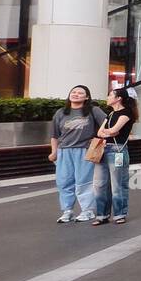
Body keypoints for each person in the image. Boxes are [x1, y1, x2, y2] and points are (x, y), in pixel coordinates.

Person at [48, 85, 107, 224]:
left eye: (80, 93)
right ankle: (67, 211)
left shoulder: (94, 110)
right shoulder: (61, 113)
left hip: (85, 150)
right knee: (64, 181)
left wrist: (101, 138)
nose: (76, 94)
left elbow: (108, 123)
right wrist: (54, 152)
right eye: (73, 92)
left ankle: (88, 211)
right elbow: (54, 135)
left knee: (84, 181)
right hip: (64, 151)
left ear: (87, 97)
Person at [92, 87, 138, 226]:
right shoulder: (110, 114)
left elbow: (114, 130)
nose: (108, 97)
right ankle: (102, 215)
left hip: (118, 151)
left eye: (110, 95)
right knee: (100, 184)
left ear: (118, 98)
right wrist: (109, 132)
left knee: (118, 184)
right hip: (103, 150)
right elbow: (101, 132)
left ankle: (120, 214)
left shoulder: (127, 112)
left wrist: (110, 132)